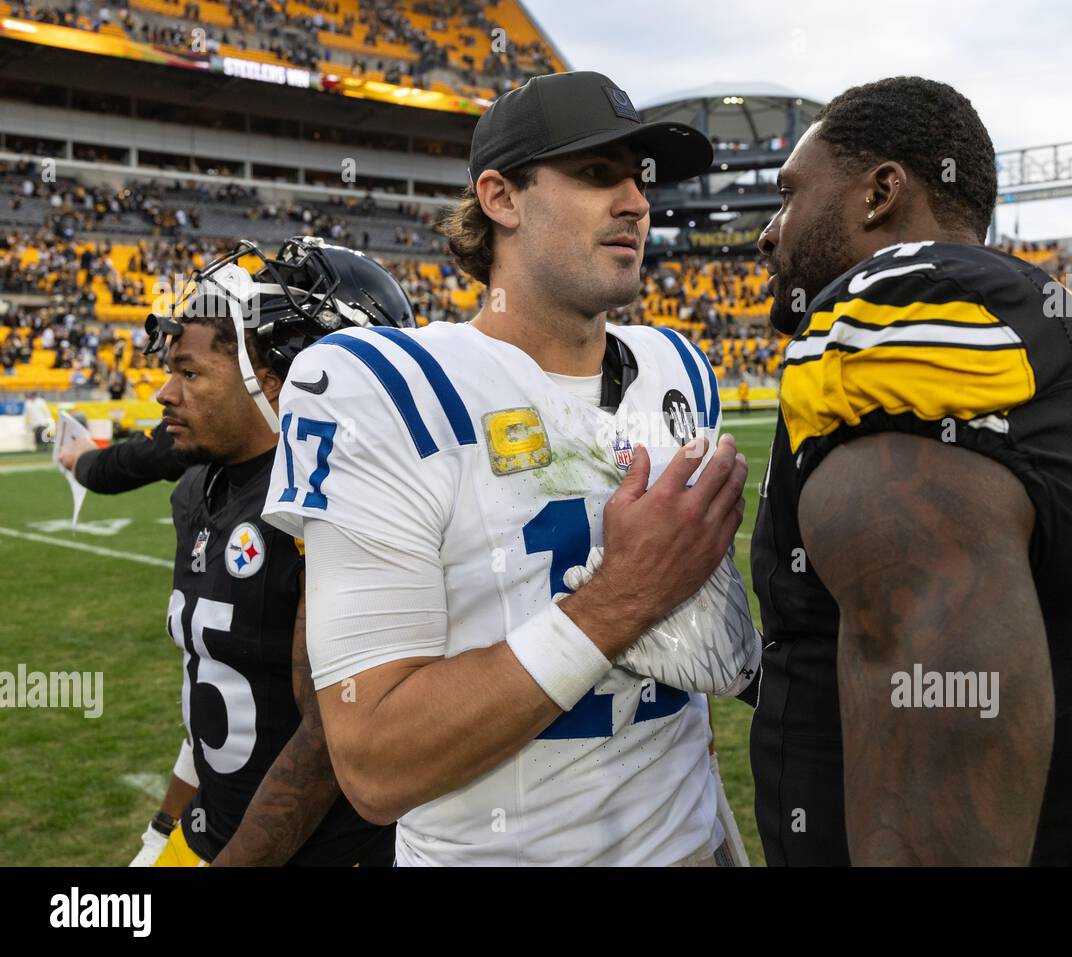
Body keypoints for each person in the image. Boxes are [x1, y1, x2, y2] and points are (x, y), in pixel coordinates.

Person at [262, 70, 758, 866]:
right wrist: (619, 600)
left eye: (639, 177)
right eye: (599, 174)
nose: (636, 199)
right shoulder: (384, 386)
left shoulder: (679, 369)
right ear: (500, 197)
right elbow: (375, 763)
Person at [750, 76, 1072, 866]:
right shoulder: (1026, 324)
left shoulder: (910, 308)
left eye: (788, 196)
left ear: (879, 193)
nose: (769, 234)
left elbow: (927, 677)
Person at [145, 236, 404, 866]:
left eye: (189, 372)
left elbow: (322, 745)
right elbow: (215, 692)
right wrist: (162, 830)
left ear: (280, 373)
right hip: (211, 832)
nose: (164, 394)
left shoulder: (339, 503)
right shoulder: (199, 489)